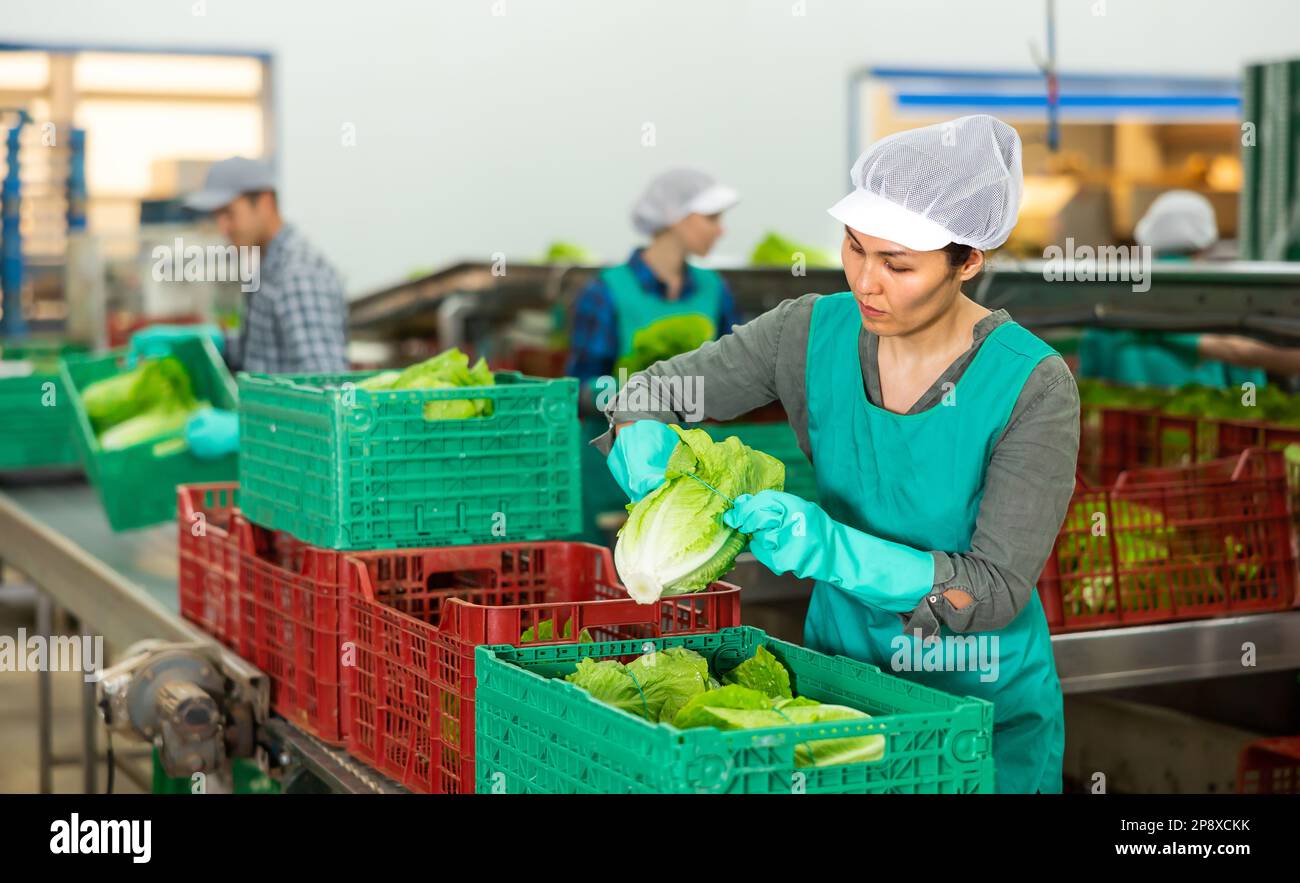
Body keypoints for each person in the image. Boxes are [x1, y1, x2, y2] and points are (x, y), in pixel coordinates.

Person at [599, 116, 1078, 793]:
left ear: (966, 261)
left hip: (974, 709)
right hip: (833, 694)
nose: (866, 283)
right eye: (855, 249)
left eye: (899, 265)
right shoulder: (806, 332)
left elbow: (993, 588)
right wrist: (638, 431)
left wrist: (831, 549)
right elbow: (653, 389)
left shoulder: (1031, 382)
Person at [129, 156, 350, 458]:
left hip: (301, 465)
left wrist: (246, 428)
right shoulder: (265, 264)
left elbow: (331, 396)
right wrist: (206, 343)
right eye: (217, 216)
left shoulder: (298, 275)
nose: (223, 227)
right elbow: (264, 352)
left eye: (230, 213)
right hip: (272, 460)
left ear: (265, 202)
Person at [567, 168, 741, 541]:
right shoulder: (606, 293)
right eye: (711, 218)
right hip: (615, 466)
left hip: (692, 464)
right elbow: (580, 389)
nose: (720, 229)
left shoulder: (714, 290)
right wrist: (643, 397)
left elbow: (737, 367)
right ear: (675, 219)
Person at [1079, 190, 1299, 386]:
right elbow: (1248, 388)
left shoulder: (1113, 299)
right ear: (1208, 244)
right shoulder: (1223, 299)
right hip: (1207, 426)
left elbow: (1088, 386)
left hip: (1127, 427)